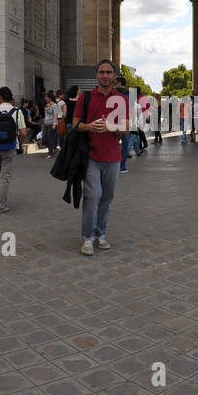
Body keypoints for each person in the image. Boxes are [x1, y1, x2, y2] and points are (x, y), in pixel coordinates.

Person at [72, 58, 128, 254]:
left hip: (113, 158)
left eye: (108, 72)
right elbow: (76, 123)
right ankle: (88, 237)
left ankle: (100, 234)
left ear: (114, 76)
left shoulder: (122, 100)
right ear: (96, 75)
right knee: (92, 196)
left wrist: (110, 126)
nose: (105, 75)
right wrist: (89, 126)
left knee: (106, 198)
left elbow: (126, 127)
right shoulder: (85, 98)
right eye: (102, 72)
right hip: (91, 157)